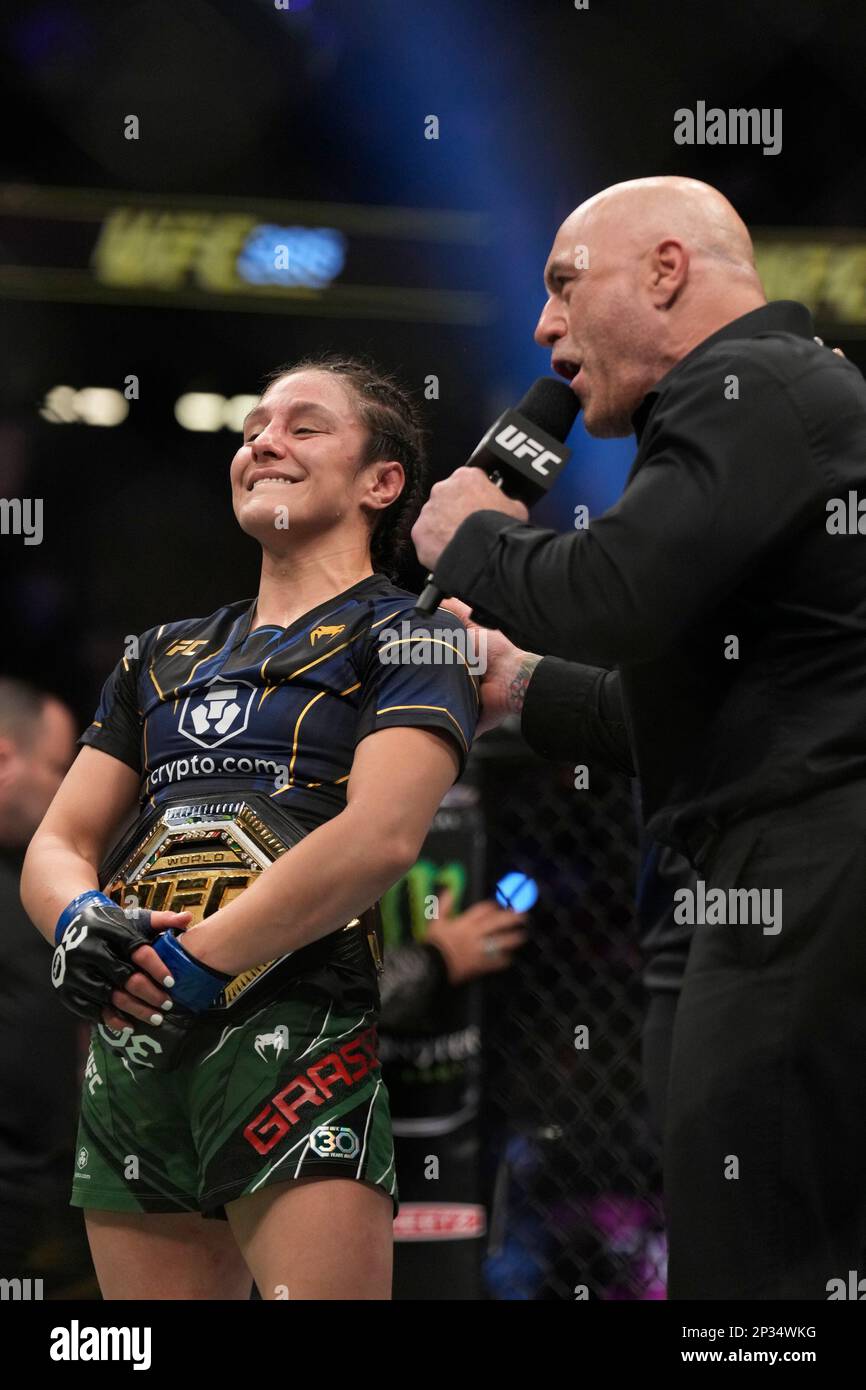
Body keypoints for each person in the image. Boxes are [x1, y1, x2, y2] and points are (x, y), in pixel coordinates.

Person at [411, 175, 866, 1299]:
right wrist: (514, 682)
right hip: (776, 864)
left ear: (665, 271)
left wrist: (470, 538)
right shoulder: (769, 398)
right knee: (768, 1243)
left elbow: (612, 593)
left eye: (565, 284)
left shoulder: (747, 381)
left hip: (798, 868)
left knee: (751, 1260)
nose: (541, 325)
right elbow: (673, 702)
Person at [21, 354, 479, 1301]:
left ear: (382, 481)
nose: (262, 442)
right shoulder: (157, 654)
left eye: (303, 427)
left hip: (295, 1037)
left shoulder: (415, 635)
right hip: (135, 1053)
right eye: (252, 431)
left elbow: (382, 837)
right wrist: (78, 923)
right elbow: (57, 844)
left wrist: (191, 964)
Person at [0, 680, 80, 1278]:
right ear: (4, 760)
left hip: (42, 1201)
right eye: (59, 769)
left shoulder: (33, 876)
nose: (69, 793)